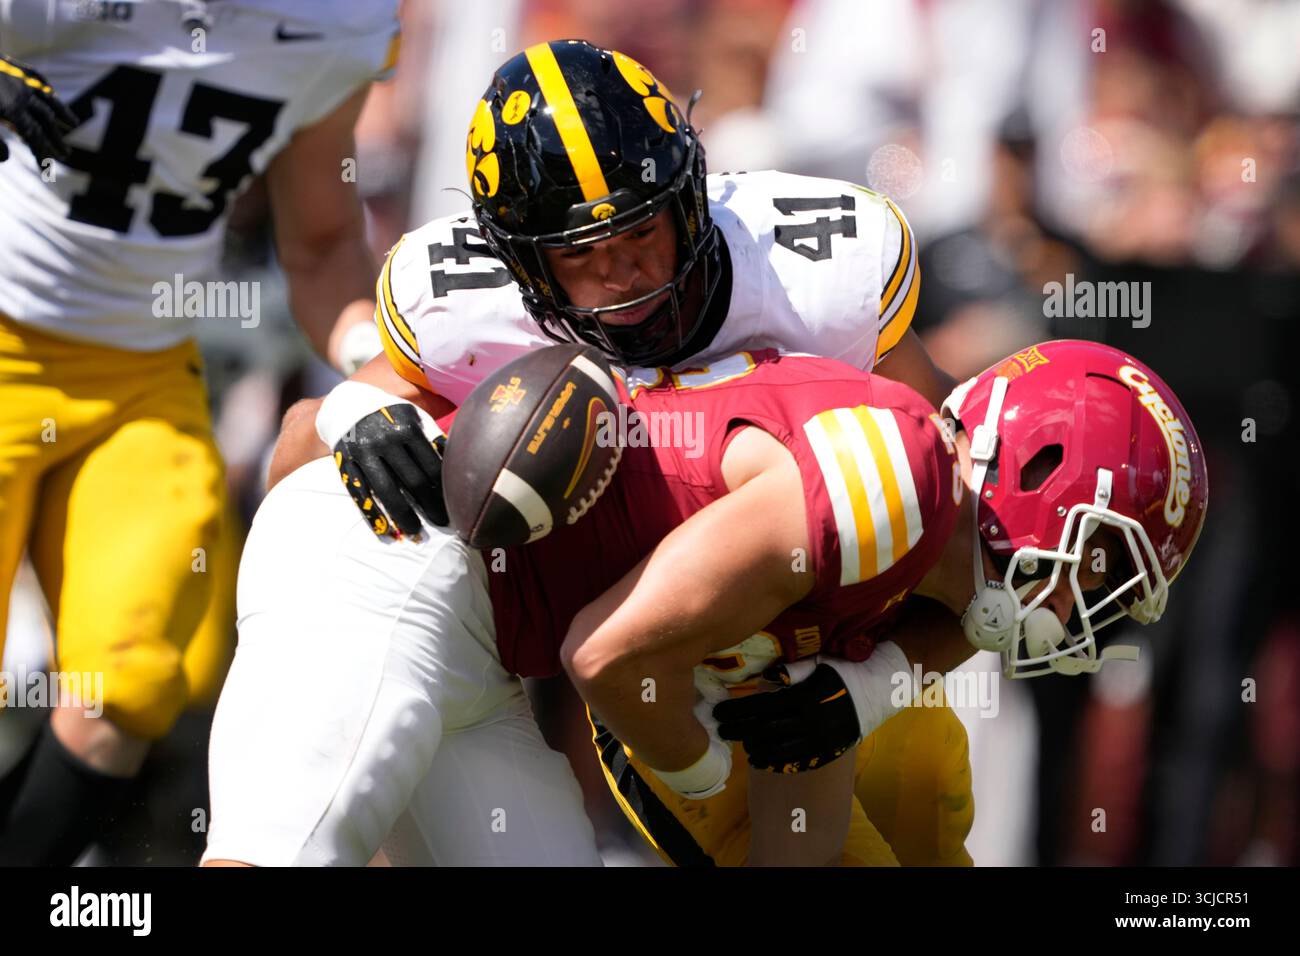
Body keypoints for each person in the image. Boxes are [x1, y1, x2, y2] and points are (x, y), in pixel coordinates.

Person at [0, 0, 400, 865]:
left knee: (134, 678)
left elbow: (324, 242)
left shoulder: (341, 21)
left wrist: (374, 374)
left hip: (141, 368)